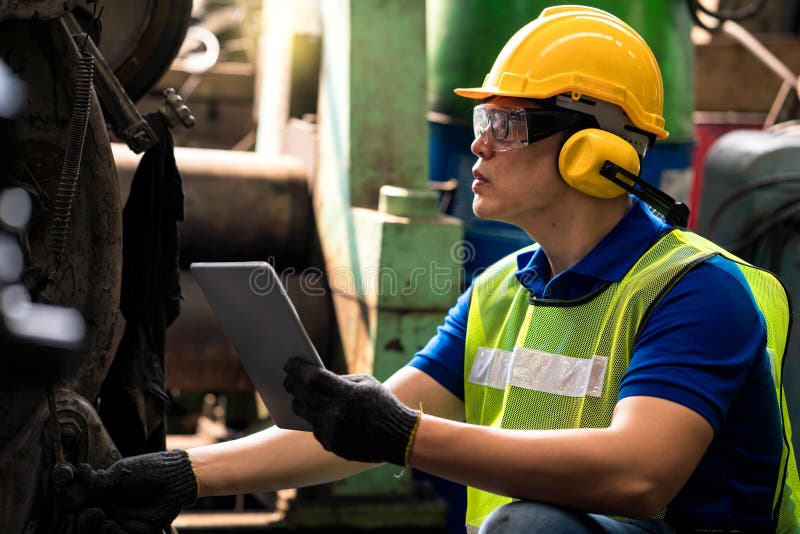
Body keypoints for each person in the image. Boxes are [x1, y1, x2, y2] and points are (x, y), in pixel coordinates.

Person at [79, 6, 800, 533]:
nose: (478, 147)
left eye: (504, 125)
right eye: (480, 124)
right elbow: (356, 436)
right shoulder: (500, 290)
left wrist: (407, 436)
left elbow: (639, 476)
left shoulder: (695, 291)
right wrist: (186, 475)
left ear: (595, 154)